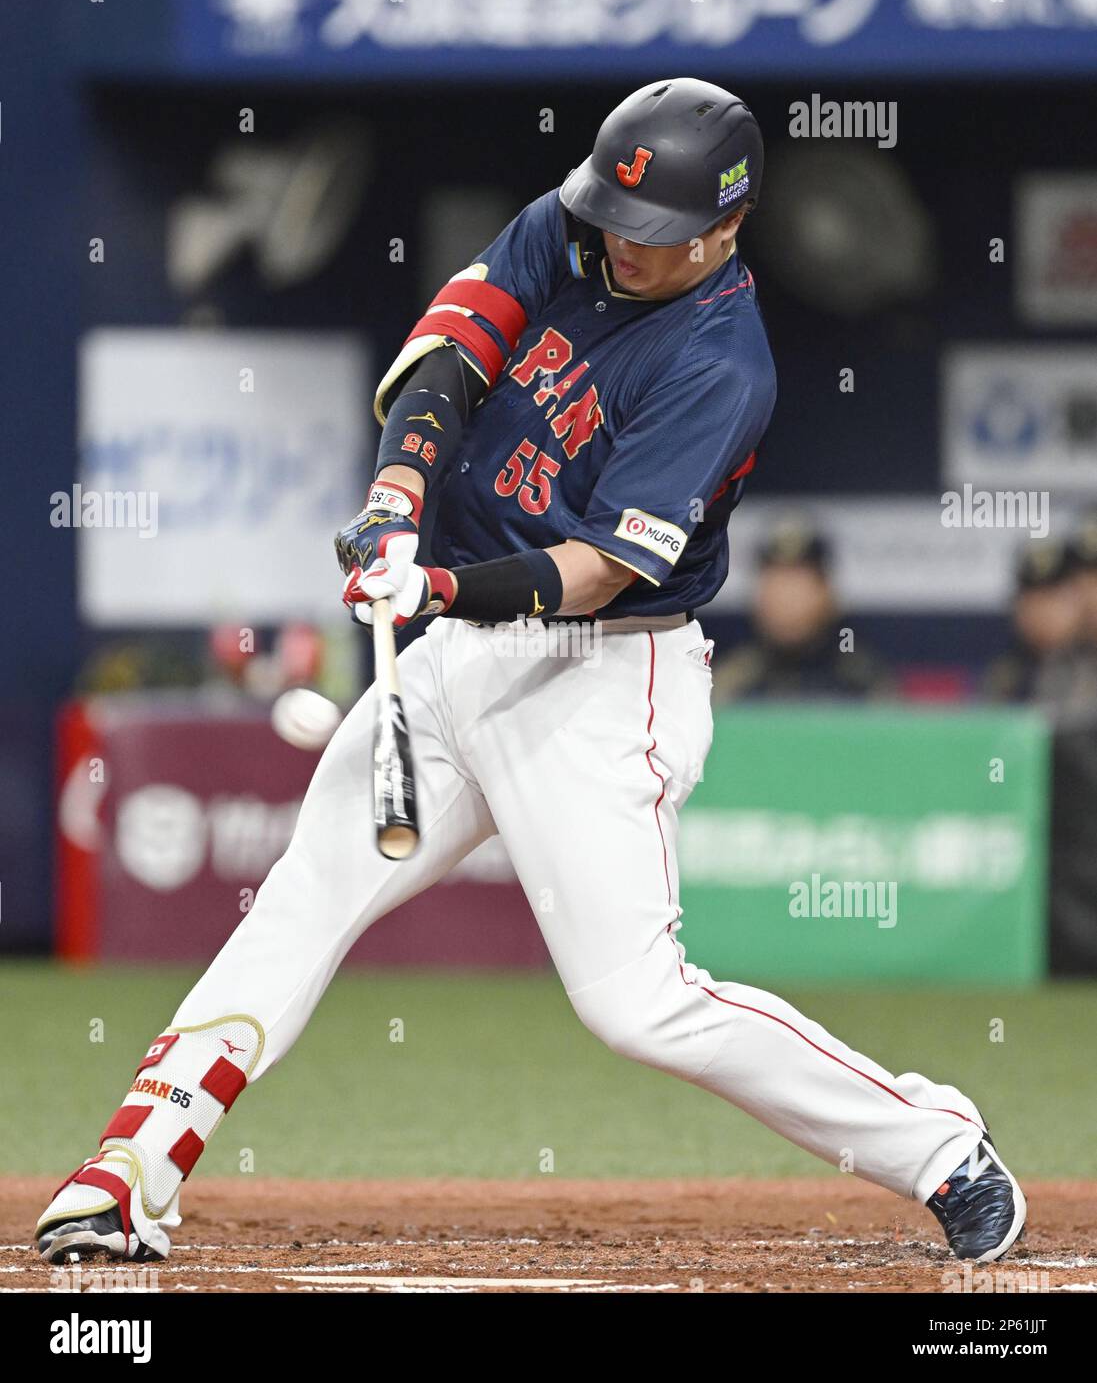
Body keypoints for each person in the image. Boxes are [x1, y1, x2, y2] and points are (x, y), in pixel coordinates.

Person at [37, 79, 1024, 1269]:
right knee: (302, 897)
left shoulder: (720, 364)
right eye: (612, 215)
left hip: (600, 678)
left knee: (635, 1003)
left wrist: (440, 588)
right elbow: (451, 350)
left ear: (723, 229)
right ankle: (127, 1169)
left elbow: (602, 570)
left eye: (651, 233)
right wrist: (397, 501)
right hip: (455, 649)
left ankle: (939, 1147)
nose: (619, 243)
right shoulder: (580, 217)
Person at [712, 520, 892, 702]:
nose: (786, 599)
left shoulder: (863, 683)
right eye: (776, 583)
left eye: (798, 583)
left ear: (827, 592)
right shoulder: (730, 685)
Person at [983, 539, 1089, 710]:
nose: (1042, 612)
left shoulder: (1089, 669)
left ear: (1077, 601)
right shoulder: (1005, 677)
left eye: (1052, 598)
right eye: (1032, 600)